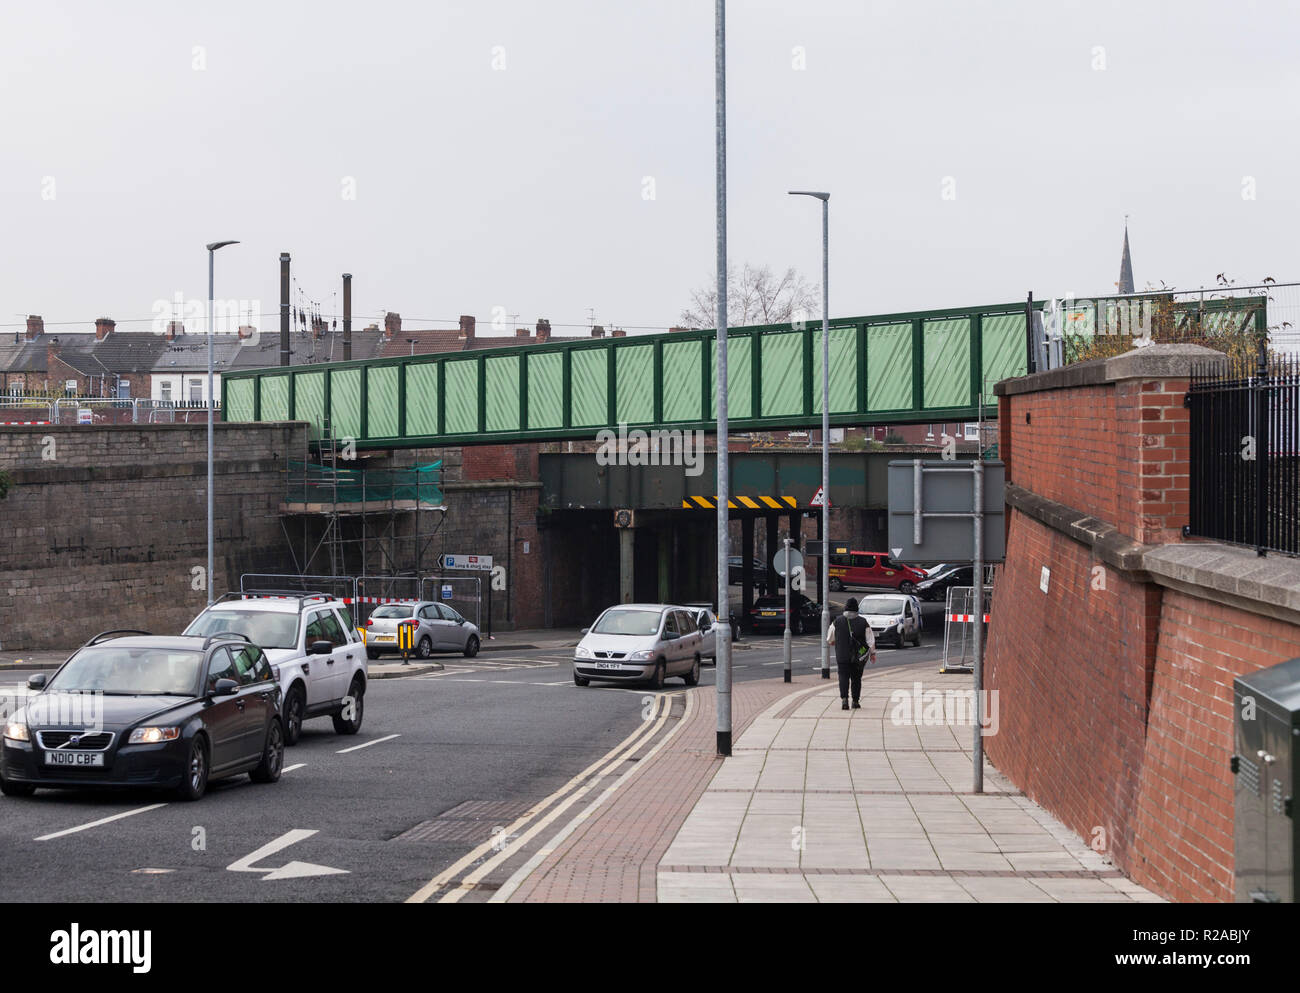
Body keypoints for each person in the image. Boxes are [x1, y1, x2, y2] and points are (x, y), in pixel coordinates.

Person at [826, 597, 875, 711]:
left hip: (842, 655)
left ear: (846, 608)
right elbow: (870, 640)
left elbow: (829, 639)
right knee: (856, 678)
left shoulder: (837, 621)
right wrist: (872, 653)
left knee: (843, 677)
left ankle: (844, 700)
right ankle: (855, 701)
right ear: (857, 609)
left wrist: (834, 641)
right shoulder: (863, 622)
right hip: (858, 657)